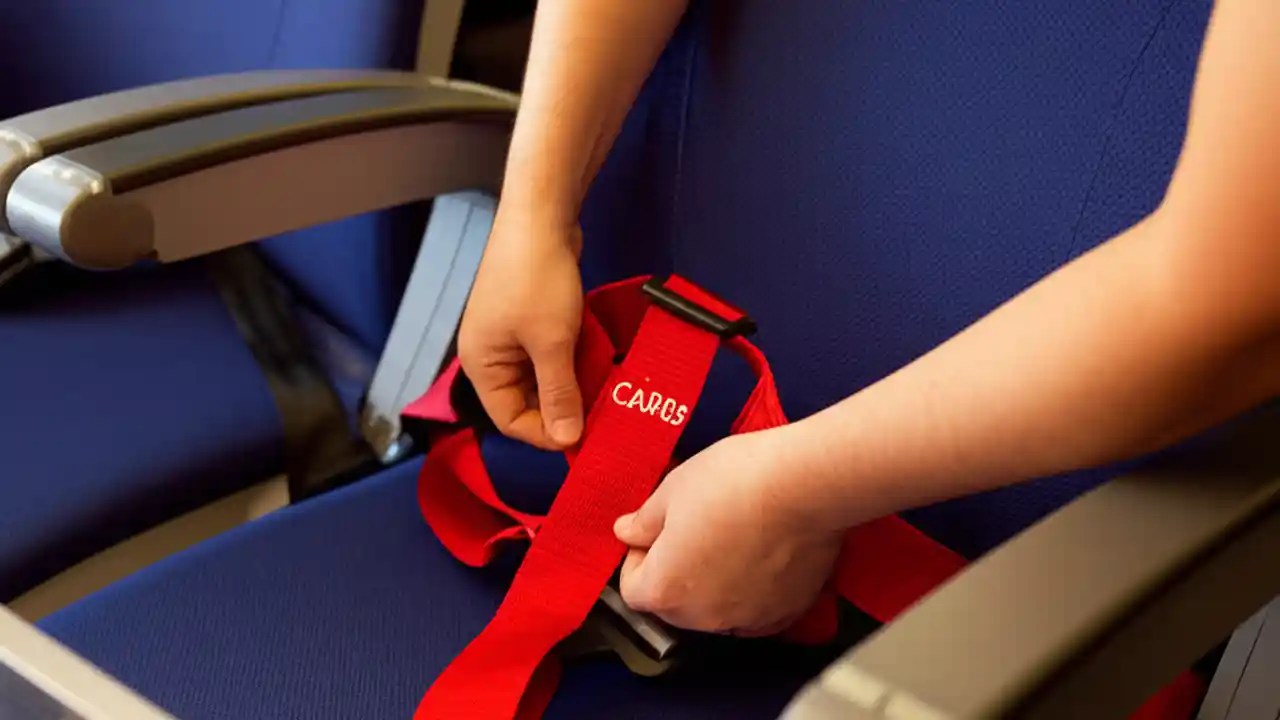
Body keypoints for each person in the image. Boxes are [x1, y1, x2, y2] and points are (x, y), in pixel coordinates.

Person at [457, 0, 1280, 638]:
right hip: (643, 462)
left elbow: (1228, 296)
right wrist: (533, 211)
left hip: (1004, 603)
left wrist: (799, 491)